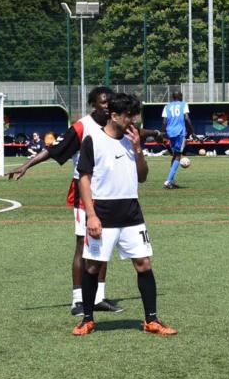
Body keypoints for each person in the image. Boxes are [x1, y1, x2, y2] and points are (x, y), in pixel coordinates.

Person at [7, 86, 132, 316]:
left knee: (103, 245)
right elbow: (53, 150)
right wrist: (26, 165)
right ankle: (77, 300)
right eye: (103, 102)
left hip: (107, 192)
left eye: (109, 102)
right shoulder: (82, 127)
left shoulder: (113, 125)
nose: (107, 105)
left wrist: (155, 134)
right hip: (83, 192)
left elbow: (135, 134)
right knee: (82, 246)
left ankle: (97, 298)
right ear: (93, 104)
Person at [73, 92, 177, 336]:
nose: (133, 121)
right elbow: (84, 179)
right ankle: (87, 319)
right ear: (114, 115)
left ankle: (151, 320)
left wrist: (138, 149)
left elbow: (142, 176)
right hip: (103, 213)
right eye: (128, 116)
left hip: (131, 213)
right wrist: (91, 215)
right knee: (92, 267)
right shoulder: (93, 140)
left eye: (134, 115)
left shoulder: (132, 140)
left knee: (144, 263)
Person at [163, 91, 193, 187]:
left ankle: (172, 179)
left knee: (175, 155)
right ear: (180, 96)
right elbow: (187, 118)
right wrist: (191, 131)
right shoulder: (184, 104)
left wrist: (164, 134)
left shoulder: (166, 106)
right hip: (180, 132)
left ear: (172, 97)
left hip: (170, 132)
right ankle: (168, 180)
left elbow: (164, 121)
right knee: (178, 156)